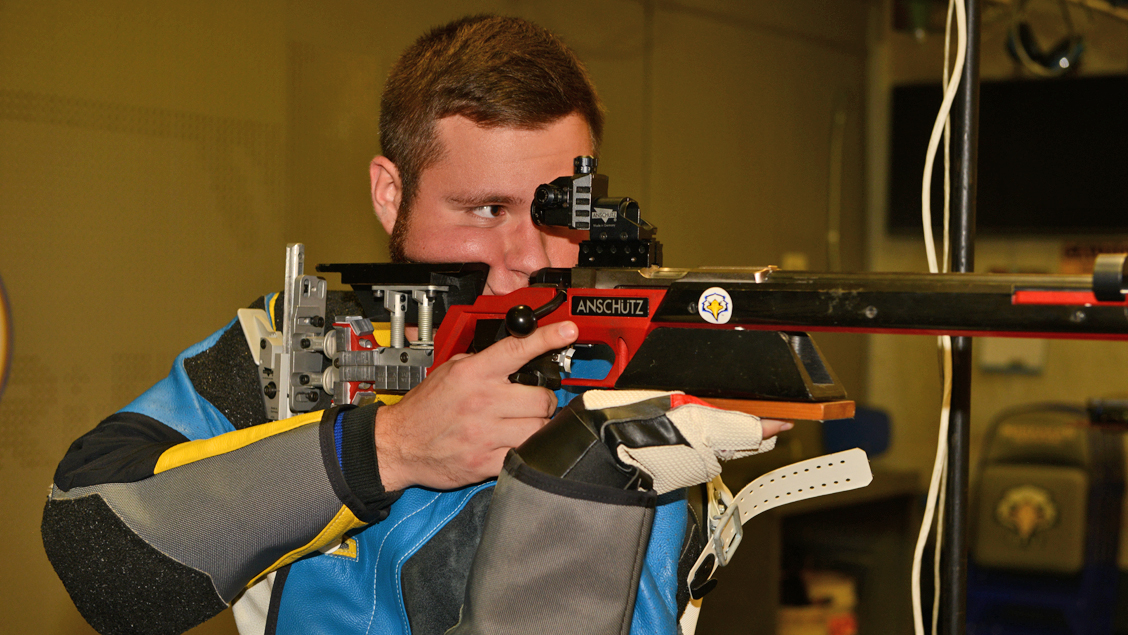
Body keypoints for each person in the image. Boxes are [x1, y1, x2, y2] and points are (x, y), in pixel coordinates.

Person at [42, 15, 787, 635]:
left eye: (563, 214)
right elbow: (98, 549)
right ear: (389, 193)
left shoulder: (638, 379)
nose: (529, 256)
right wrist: (386, 449)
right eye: (486, 210)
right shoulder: (305, 348)